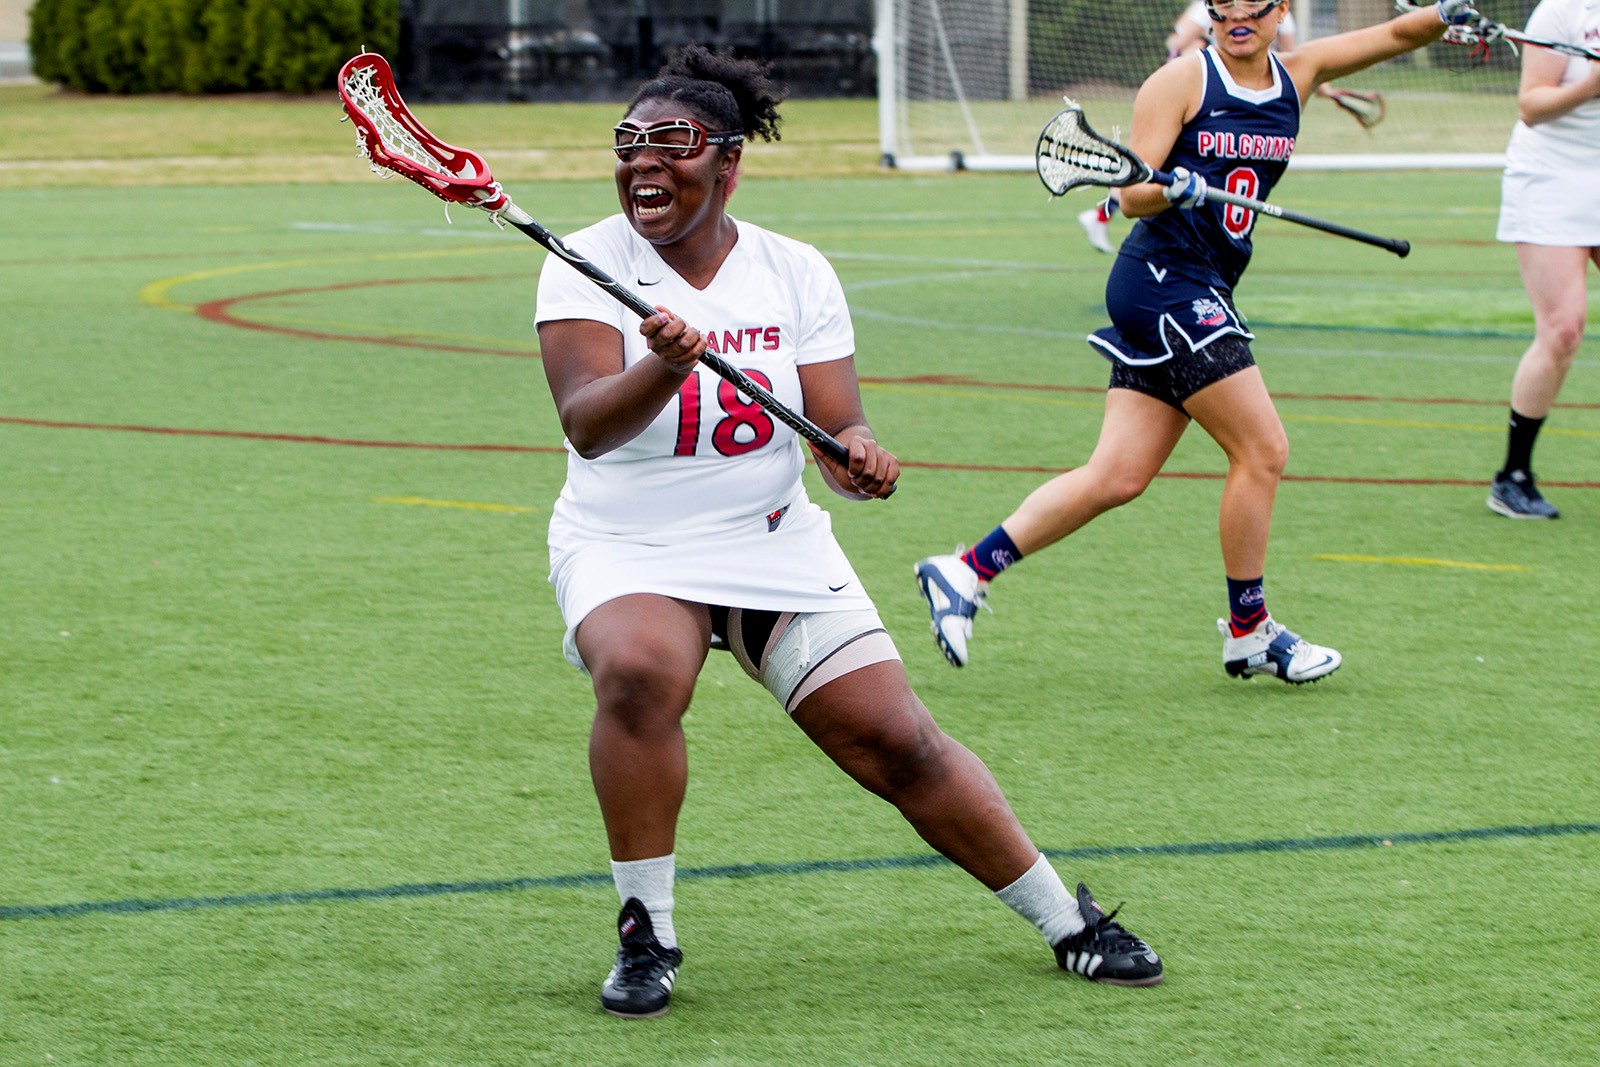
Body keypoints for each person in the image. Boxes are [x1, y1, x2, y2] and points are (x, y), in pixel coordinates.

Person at [534, 45, 1163, 1019]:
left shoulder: (792, 269)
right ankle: (644, 929)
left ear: (729, 160)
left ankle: (1065, 919)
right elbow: (587, 422)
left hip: (770, 534)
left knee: (895, 739)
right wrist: (663, 364)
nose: (642, 162)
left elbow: (835, 420)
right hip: (629, 542)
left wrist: (857, 455)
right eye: (627, 143)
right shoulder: (584, 261)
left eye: (672, 142)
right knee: (639, 671)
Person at [919, 0, 1485, 680]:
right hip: (1164, 282)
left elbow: (1395, 33)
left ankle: (965, 569)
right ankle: (1249, 629)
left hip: (1203, 284)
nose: (1238, 18)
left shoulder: (1298, 74)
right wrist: (1174, 188)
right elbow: (1130, 195)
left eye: (1254, 7)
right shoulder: (1184, 81)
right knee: (1264, 448)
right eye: (1225, 8)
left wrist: (1447, 15)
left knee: (1117, 475)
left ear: (1282, 12)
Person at [1079, 0, 1386, 255]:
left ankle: (1100, 215)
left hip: (1243, 92)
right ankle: (1101, 215)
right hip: (1202, 92)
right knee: (1155, 175)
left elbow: (1288, 61)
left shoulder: (1278, 14)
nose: (1239, 13)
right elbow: (1177, 41)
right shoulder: (1216, 11)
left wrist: (1325, 87)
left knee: (1176, 179)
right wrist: (1184, 63)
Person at [1486, 0, 1600, 519]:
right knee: (1563, 329)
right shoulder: (1562, 11)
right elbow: (1531, 105)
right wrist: (1590, 84)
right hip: (1553, 178)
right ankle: (1512, 477)